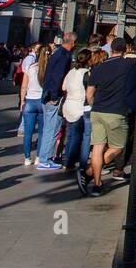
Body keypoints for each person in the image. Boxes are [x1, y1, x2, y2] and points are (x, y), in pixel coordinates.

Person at [79, 37, 133, 195]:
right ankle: (89, 173)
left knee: (97, 147)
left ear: (111, 49)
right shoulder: (128, 66)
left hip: (97, 110)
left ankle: (97, 184)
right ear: (125, 49)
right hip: (116, 111)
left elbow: (89, 93)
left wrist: (94, 103)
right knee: (117, 147)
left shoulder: (99, 67)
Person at [36, 33, 76, 170]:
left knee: (48, 128)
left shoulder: (57, 54)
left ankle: (43, 157)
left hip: (47, 95)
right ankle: (45, 159)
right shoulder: (64, 56)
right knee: (52, 129)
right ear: (72, 43)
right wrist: (54, 96)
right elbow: (58, 77)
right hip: (53, 97)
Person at [61, 49, 94, 171]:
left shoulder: (71, 72)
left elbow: (63, 87)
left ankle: (66, 160)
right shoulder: (86, 73)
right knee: (77, 137)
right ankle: (70, 162)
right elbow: (89, 92)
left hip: (68, 105)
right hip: (79, 106)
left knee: (69, 135)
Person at [19, 42, 48, 165]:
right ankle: (39, 157)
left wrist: (22, 101)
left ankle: (27, 158)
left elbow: (24, 86)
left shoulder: (30, 67)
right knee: (42, 132)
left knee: (28, 132)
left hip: (30, 101)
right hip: (42, 101)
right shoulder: (48, 69)